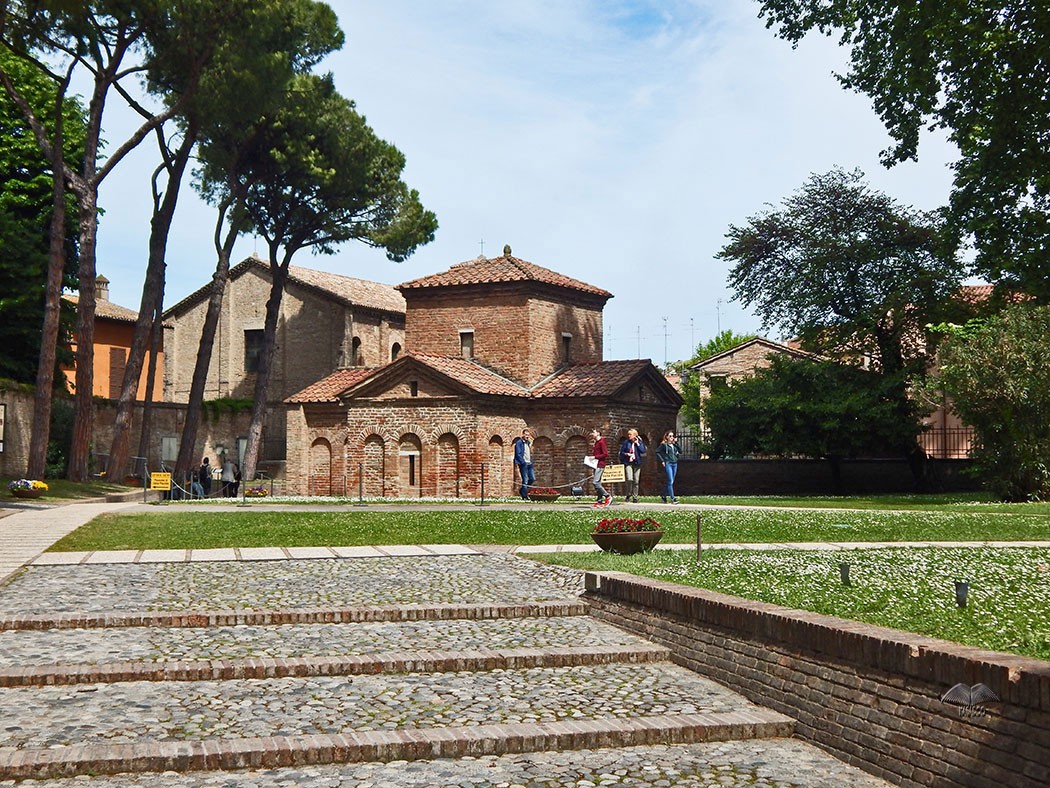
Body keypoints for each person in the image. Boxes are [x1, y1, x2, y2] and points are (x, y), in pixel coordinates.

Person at [619, 428, 646, 503]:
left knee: (636, 480)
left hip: (637, 463)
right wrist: (626, 454)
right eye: (628, 434)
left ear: (635, 435)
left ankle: (635, 497)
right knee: (630, 478)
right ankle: (628, 494)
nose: (629, 436)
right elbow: (621, 452)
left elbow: (643, 451)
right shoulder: (626, 442)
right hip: (628, 463)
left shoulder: (639, 442)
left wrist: (637, 443)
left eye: (630, 434)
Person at [655, 430, 681, 503]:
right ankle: (673, 498)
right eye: (670, 436)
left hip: (674, 463)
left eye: (673, 436)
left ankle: (663, 494)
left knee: (671, 481)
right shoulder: (664, 445)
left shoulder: (674, 445)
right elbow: (657, 452)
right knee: (670, 480)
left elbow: (680, 451)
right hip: (668, 463)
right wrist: (662, 460)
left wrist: (676, 443)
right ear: (666, 437)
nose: (672, 438)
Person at [589, 427, 612, 508]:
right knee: (598, 483)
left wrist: (595, 457)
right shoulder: (596, 442)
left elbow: (605, 454)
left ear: (598, 433)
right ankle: (599, 501)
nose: (592, 434)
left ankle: (607, 496)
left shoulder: (602, 442)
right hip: (596, 464)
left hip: (600, 465)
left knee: (595, 482)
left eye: (594, 432)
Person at [514, 427, 536, 500]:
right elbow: (518, 454)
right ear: (523, 435)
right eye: (526, 435)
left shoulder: (528, 443)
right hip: (524, 464)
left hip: (529, 463)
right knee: (525, 480)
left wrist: (531, 461)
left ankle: (522, 490)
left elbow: (529, 453)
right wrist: (523, 462)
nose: (527, 436)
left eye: (528, 435)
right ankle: (524, 496)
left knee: (532, 478)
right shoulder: (519, 443)